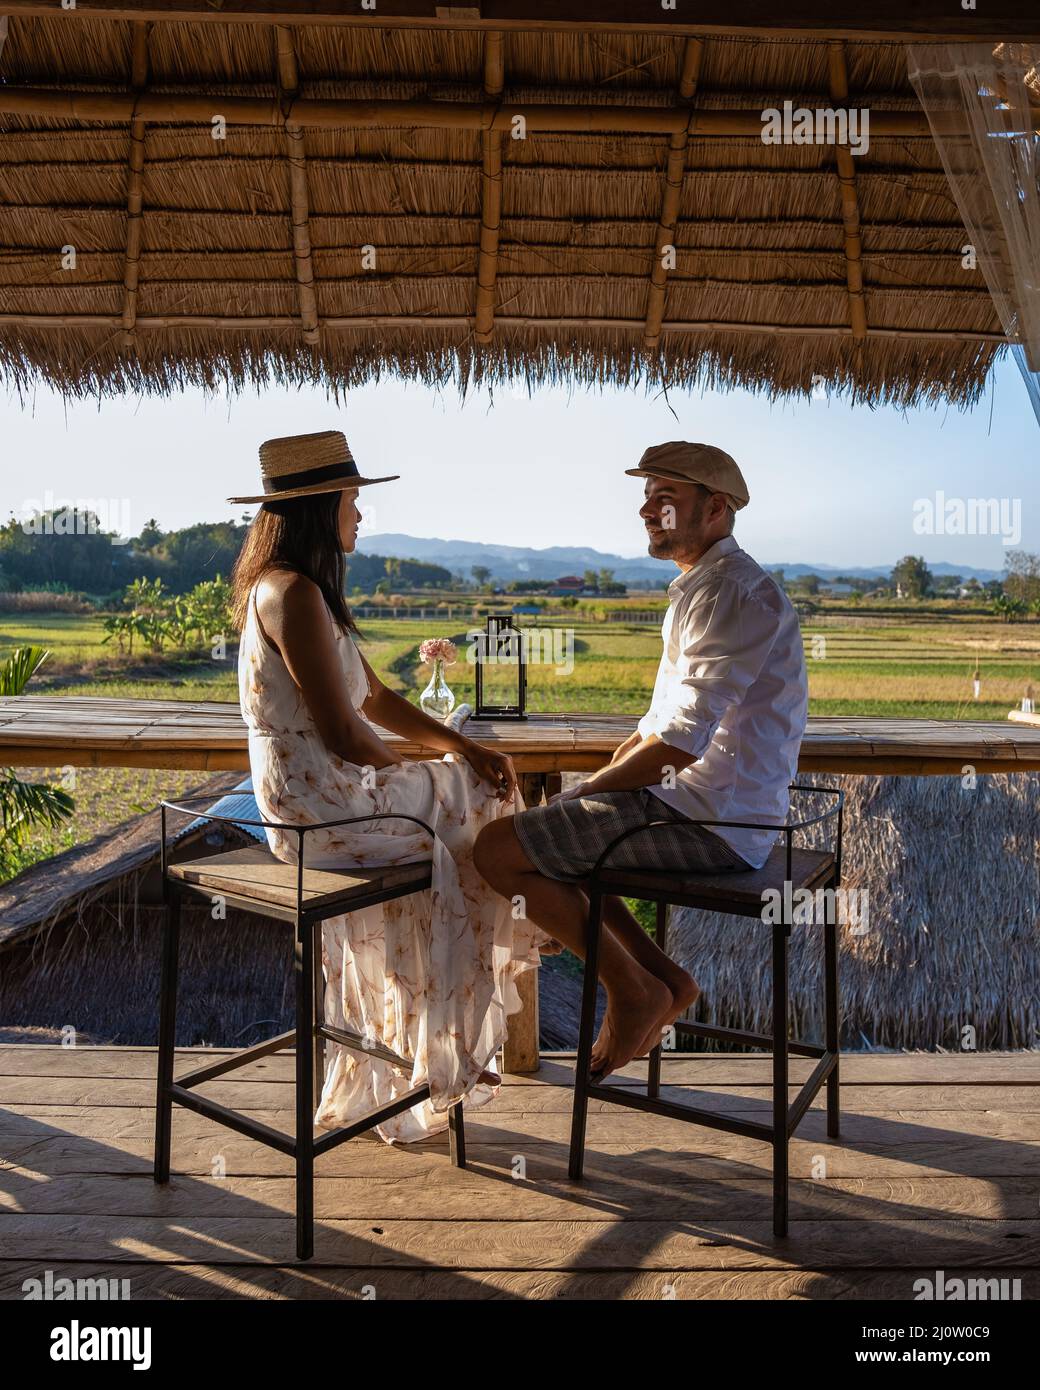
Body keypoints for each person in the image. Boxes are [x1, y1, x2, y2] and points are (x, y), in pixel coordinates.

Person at [228, 430, 547, 1143]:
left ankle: (451, 1023)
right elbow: (344, 736)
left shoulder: (301, 593)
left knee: (470, 784)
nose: (360, 515)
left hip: (322, 797)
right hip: (319, 809)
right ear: (321, 507)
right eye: (352, 500)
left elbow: (374, 700)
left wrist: (461, 745)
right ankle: (469, 1010)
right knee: (477, 802)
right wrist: (417, 773)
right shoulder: (291, 595)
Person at [474, 441, 809, 1079]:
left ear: (715, 509)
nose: (646, 510)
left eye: (665, 498)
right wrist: (594, 787)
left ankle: (630, 989)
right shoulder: (705, 588)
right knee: (547, 838)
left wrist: (590, 788)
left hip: (712, 823)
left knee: (498, 849)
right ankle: (661, 980)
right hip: (697, 804)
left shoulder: (732, 595)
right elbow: (659, 727)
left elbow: (682, 745)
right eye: (646, 496)